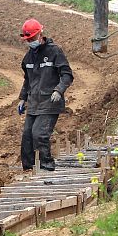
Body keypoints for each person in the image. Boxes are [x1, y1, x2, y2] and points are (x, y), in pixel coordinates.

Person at [18, 18, 73, 171]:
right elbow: (27, 80)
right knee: (27, 137)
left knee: (39, 135)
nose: (30, 42)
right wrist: (22, 98)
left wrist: (59, 90)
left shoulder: (54, 51)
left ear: (40, 34)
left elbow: (67, 74)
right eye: (28, 40)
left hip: (50, 102)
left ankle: (47, 166)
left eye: (32, 38)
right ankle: (28, 169)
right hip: (34, 103)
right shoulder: (28, 58)